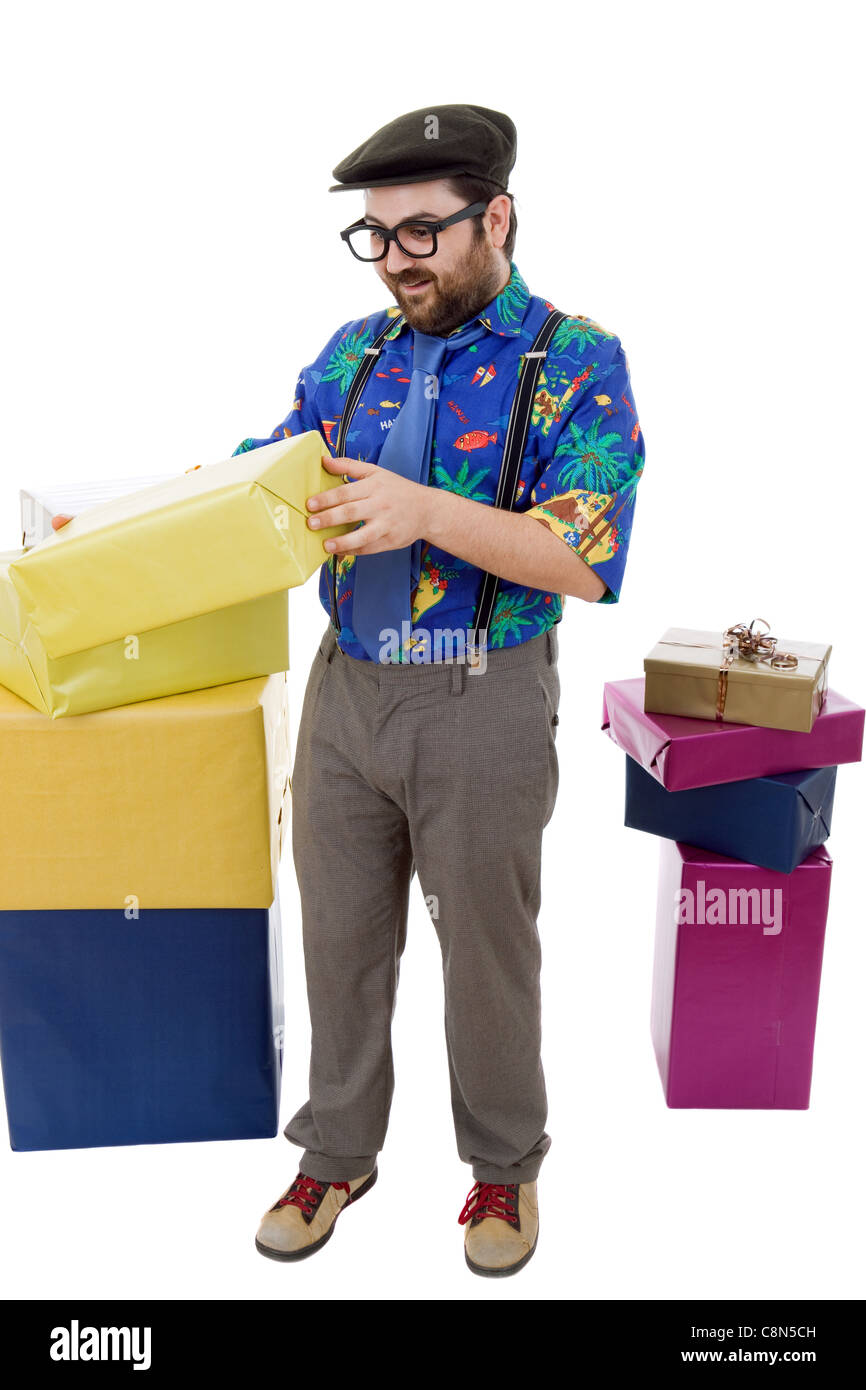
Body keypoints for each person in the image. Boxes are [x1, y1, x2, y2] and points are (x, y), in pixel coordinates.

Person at [54, 104, 645, 1278]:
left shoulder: (572, 358)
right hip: (345, 698)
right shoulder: (350, 354)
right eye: (374, 236)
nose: (396, 260)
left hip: (480, 696)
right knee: (340, 942)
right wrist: (132, 522)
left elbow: (585, 554)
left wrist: (423, 511)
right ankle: (337, 1151)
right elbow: (261, 486)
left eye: (421, 231)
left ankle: (501, 1172)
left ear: (498, 217)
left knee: (485, 950)